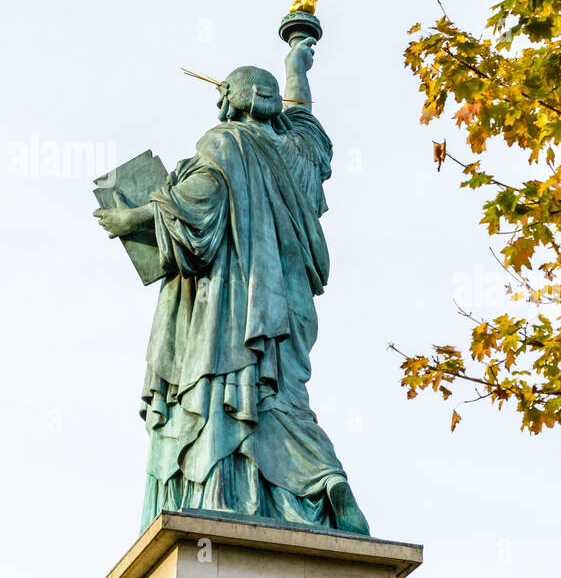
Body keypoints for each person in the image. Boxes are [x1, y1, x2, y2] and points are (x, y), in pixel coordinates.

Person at [93, 42, 369, 535]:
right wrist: (296, 66)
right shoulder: (297, 156)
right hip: (286, 314)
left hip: (231, 308)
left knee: (229, 393)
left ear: (233, 102)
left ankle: (221, 494)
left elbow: (197, 208)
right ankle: (320, 479)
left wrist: (129, 217)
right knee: (280, 399)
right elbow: (305, 121)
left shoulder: (225, 145)